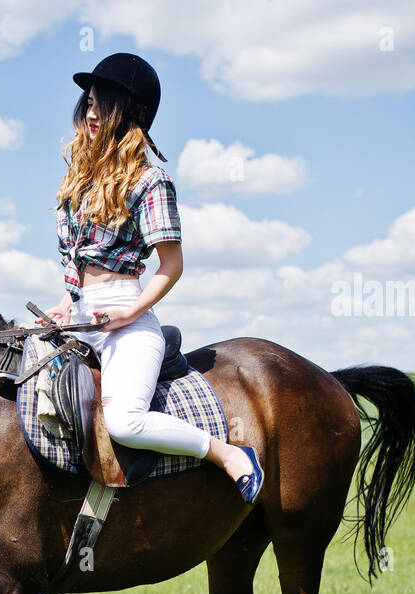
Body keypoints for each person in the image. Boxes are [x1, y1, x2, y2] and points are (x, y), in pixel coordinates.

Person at [40, 53, 263, 504]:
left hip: (128, 317)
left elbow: (172, 265)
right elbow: (76, 259)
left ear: (132, 114)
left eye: (105, 103)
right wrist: (66, 301)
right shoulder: (79, 179)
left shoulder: (150, 181)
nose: (91, 111)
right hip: (81, 316)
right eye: (88, 101)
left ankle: (228, 455)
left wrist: (131, 312)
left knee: (124, 420)